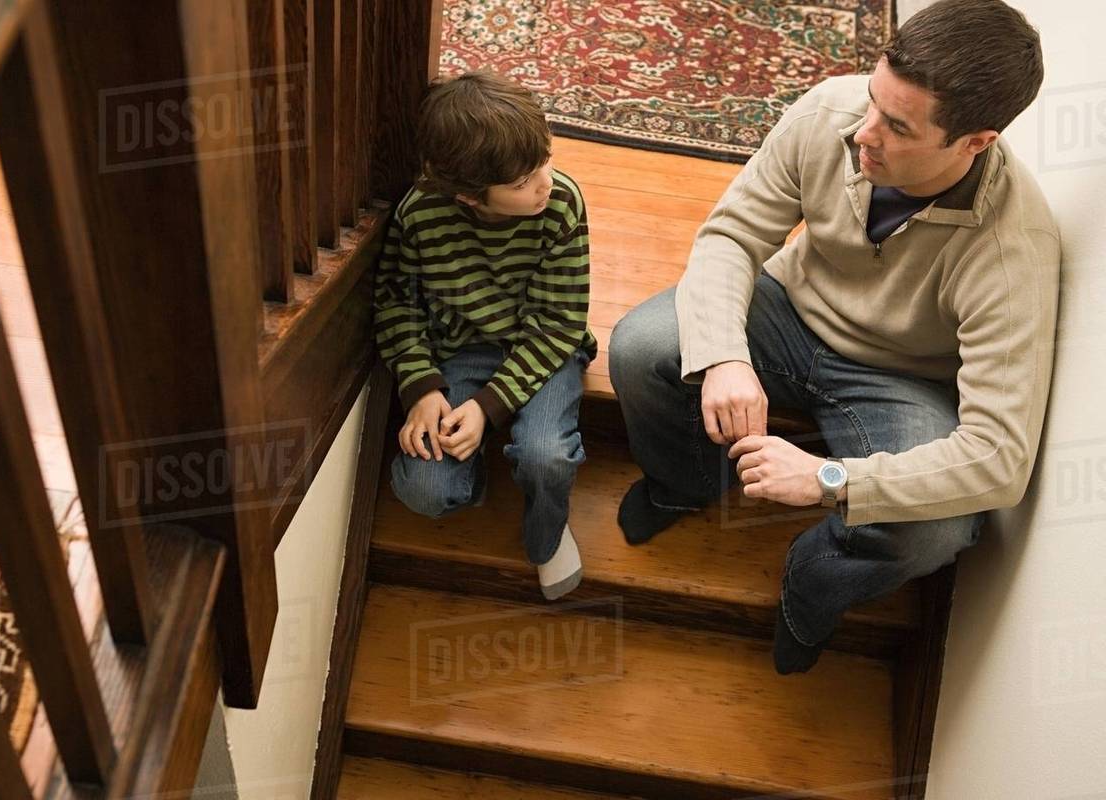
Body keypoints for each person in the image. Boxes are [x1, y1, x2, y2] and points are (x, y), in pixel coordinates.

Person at [609, 0, 1058, 673]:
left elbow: (999, 456)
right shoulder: (834, 111)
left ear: (975, 143)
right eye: (873, 101)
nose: (863, 133)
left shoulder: (1014, 251)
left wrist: (828, 478)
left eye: (897, 126)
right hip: (788, 307)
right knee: (642, 347)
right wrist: (726, 356)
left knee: (932, 534)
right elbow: (732, 236)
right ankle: (684, 484)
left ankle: (808, 592)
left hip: (900, 380)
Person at [373, 70, 595, 601]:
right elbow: (395, 302)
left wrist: (488, 406)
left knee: (547, 456)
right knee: (423, 489)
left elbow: (559, 323)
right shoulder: (419, 216)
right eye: (521, 183)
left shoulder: (560, 203)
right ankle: (479, 472)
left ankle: (545, 533)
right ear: (471, 198)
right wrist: (422, 389)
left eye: (545, 158)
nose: (545, 181)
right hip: (459, 352)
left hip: (546, 350)